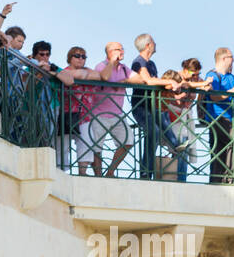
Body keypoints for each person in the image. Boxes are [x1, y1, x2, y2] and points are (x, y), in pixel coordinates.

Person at [128, 33, 190, 179]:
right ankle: (145, 171)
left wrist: (173, 92)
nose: (156, 44)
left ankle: (175, 146)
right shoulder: (139, 62)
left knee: (162, 126)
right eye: (153, 42)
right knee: (154, 132)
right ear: (148, 45)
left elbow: (156, 83)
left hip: (153, 105)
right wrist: (170, 83)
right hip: (141, 106)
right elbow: (148, 81)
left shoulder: (151, 64)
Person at [77, 41, 133, 177]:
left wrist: (123, 82)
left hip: (117, 114)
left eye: (122, 49)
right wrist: (112, 62)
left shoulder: (124, 68)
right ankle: (98, 175)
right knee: (97, 148)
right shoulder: (101, 65)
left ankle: (110, 172)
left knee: (128, 141)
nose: (122, 52)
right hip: (98, 114)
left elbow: (140, 80)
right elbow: (105, 77)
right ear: (110, 52)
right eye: (118, 49)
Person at [202, 47, 234, 184]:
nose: (233, 60)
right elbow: (214, 96)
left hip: (233, 119)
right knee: (222, 148)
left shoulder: (231, 77)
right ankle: (221, 180)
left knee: (233, 146)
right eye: (231, 57)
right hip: (217, 118)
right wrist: (233, 91)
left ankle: (229, 178)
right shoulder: (212, 75)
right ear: (224, 58)